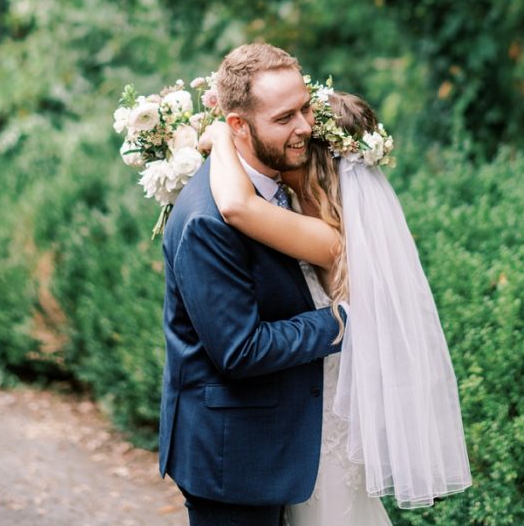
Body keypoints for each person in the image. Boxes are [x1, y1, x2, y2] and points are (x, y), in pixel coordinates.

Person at [208, 88, 472, 525]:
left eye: (298, 143)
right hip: (312, 421)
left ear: (315, 163)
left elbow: (238, 205)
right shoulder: (326, 225)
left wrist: (220, 135)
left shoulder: (328, 240)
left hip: (319, 430)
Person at [158, 43, 346, 526]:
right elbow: (240, 350)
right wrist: (338, 324)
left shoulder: (287, 186)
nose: (305, 125)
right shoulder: (206, 221)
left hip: (290, 442)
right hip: (234, 459)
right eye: (285, 118)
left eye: (305, 108)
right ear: (237, 126)